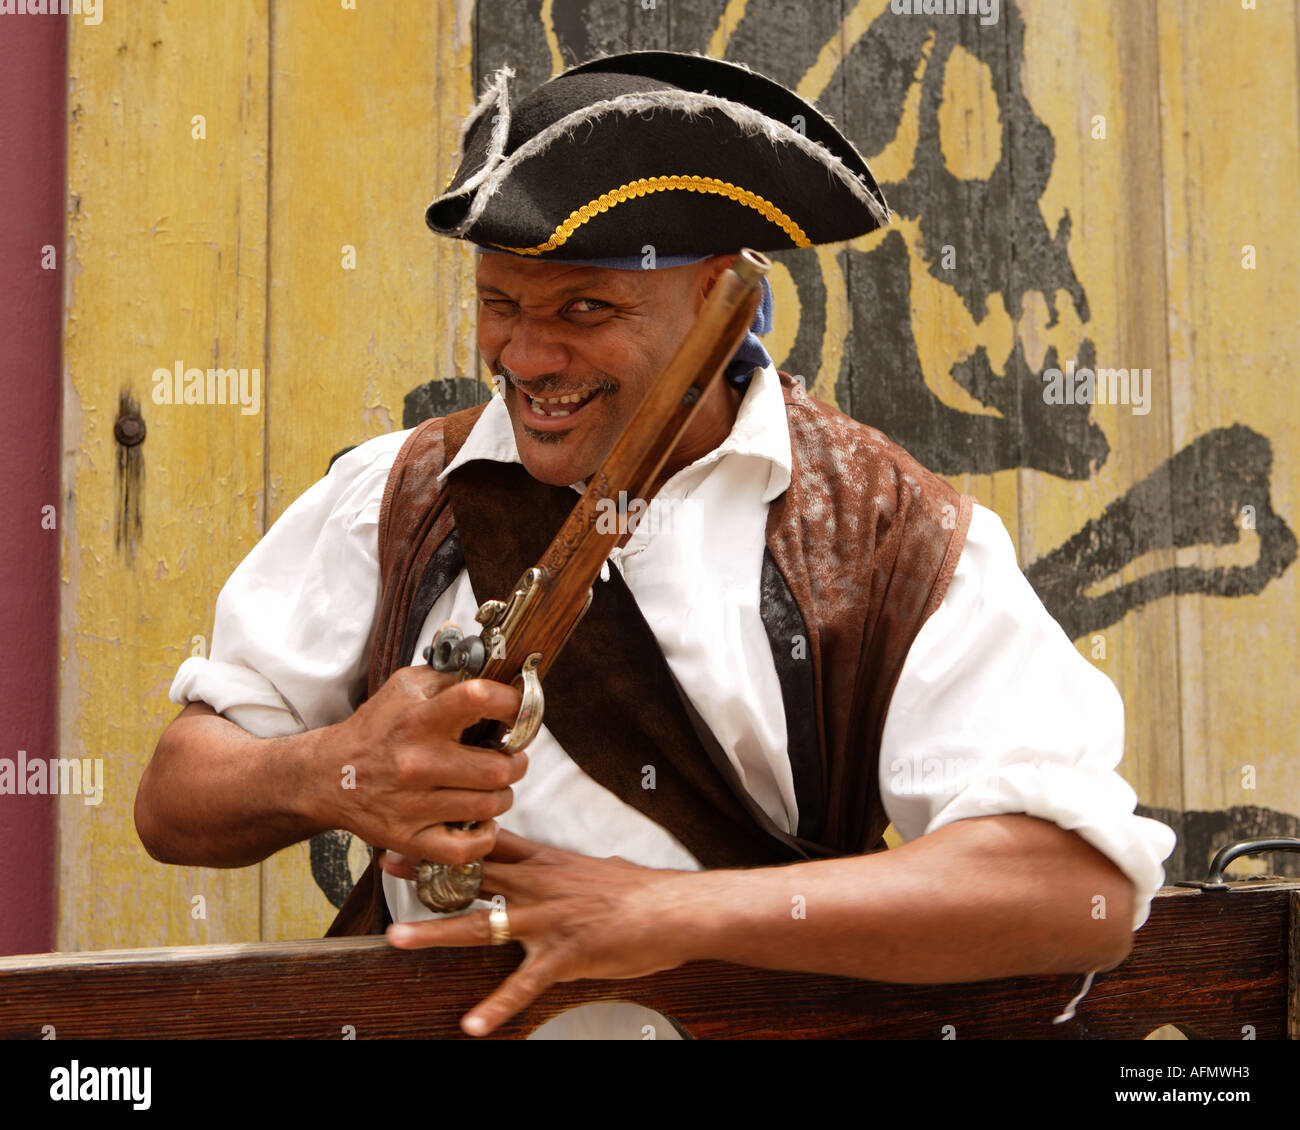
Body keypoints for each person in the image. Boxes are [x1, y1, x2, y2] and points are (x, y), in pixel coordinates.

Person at [135, 51, 1175, 1039]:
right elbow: (177, 799)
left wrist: (662, 912)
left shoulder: (887, 531)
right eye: (500, 305)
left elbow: (1070, 891)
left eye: (585, 308)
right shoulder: (399, 492)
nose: (528, 355)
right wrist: (332, 770)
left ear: (722, 297)